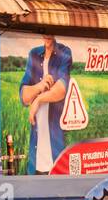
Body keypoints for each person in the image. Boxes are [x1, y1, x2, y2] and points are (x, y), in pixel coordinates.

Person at [18, 33, 73, 174]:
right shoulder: (34, 54)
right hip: (35, 153)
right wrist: (40, 86)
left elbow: (61, 90)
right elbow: (24, 96)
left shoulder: (64, 53)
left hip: (55, 150)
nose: (47, 35)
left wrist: (38, 100)